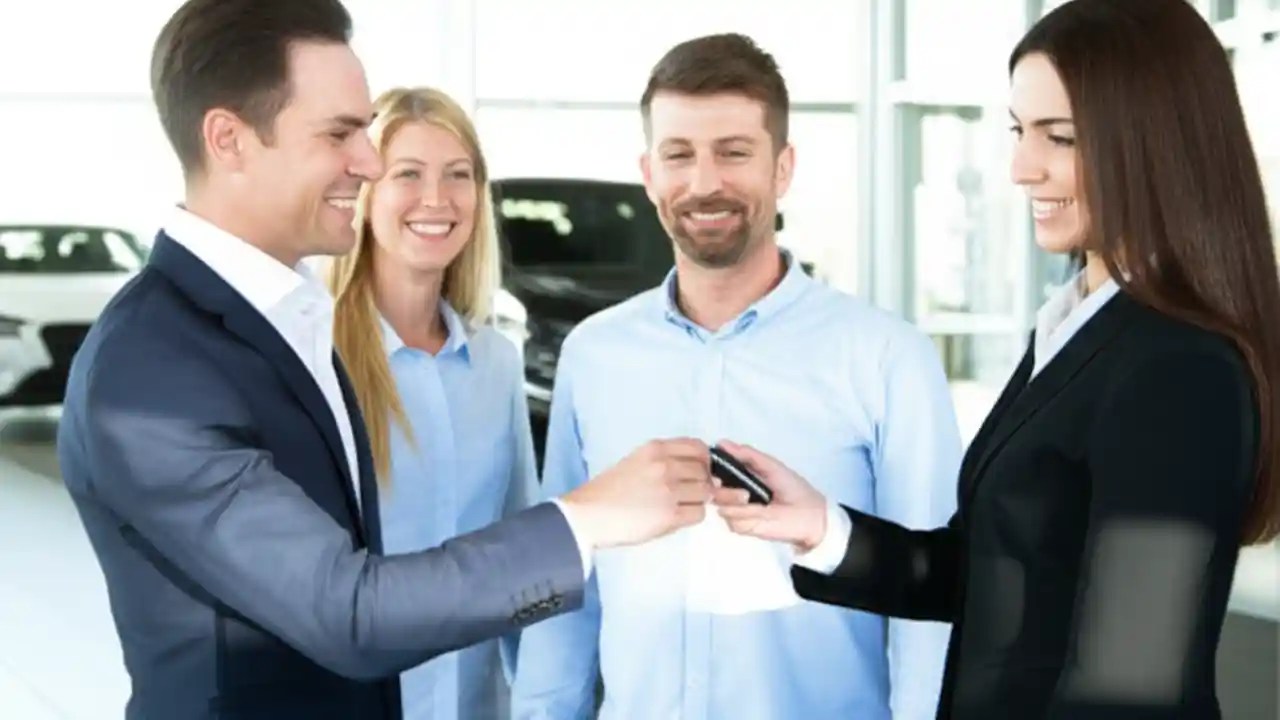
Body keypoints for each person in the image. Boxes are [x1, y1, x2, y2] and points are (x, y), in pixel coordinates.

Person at [55, 1, 713, 718]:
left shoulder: (291, 322)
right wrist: (588, 518)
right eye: (341, 133)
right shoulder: (149, 372)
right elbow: (348, 612)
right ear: (229, 139)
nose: (366, 163)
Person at [712, 1, 1280, 718]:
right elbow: (990, 575)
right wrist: (820, 526)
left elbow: (1129, 685)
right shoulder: (1075, 329)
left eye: (1061, 138)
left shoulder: (1178, 369)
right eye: (1019, 131)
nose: (1019, 168)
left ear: (1156, 143)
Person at [511, 33, 962, 720]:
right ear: (649, 171)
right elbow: (569, 579)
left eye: (734, 152)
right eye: (679, 155)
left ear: (783, 168)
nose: (704, 183)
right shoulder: (594, 355)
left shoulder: (887, 358)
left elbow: (930, 610)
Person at [324, 86, 536, 720]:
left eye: (458, 175)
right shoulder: (314, 360)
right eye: (408, 174)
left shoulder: (496, 365)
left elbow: (524, 555)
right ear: (366, 191)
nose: (437, 199)